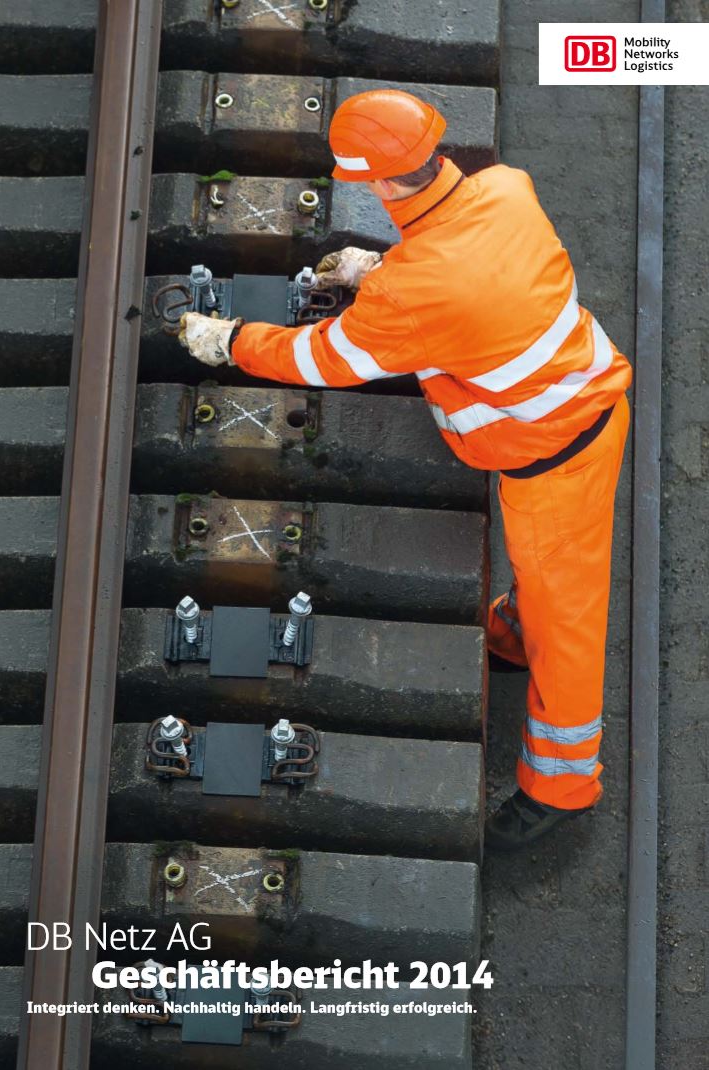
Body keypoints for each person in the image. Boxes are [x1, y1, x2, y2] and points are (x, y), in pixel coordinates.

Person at [177, 89, 632, 850]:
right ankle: (512, 640)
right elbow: (467, 275)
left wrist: (230, 341)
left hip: (553, 460)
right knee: (546, 594)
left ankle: (561, 786)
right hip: (579, 403)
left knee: (570, 624)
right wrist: (375, 269)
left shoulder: (414, 293)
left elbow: (325, 357)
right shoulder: (504, 189)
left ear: (372, 181)